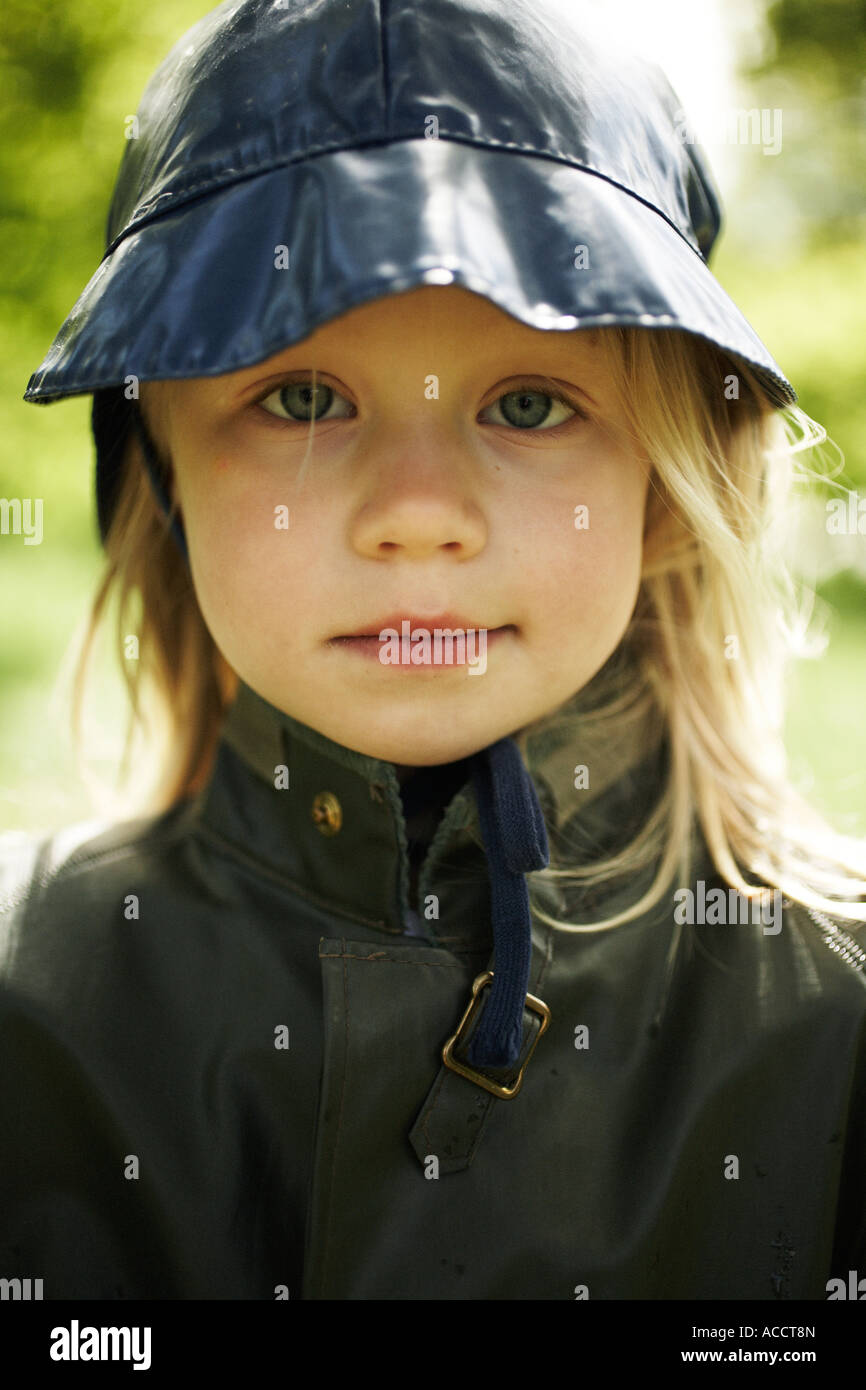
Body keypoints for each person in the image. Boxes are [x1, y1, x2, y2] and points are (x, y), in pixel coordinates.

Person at [2, 0, 865, 1301]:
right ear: (158, 476)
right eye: (300, 398)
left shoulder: (837, 1027)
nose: (416, 513)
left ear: (667, 482)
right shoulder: (27, 999)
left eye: (527, 403)